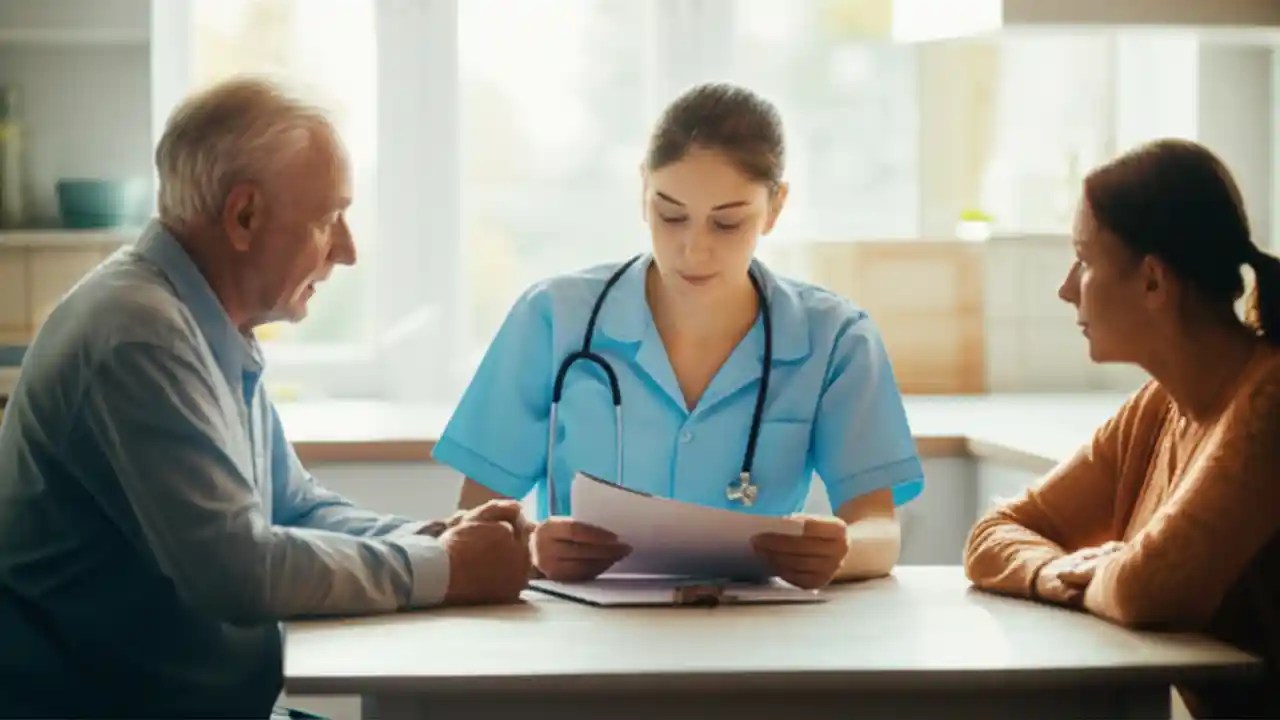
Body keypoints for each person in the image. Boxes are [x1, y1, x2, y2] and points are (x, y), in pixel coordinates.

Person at [0, 77, 531, 718]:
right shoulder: (140, 333)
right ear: (244, 217)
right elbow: (238, 571)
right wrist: (446, 569)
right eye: (328, 218)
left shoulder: (200, 321)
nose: (348, 249)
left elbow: (293, 506)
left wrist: (436, 537)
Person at [432, 83, 924, 590]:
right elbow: (473, 522)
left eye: (727, 223)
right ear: (643, 190)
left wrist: (836, 554)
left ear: (775, 207)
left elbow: (880, 530)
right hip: (579, 636)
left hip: (754, 635)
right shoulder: (552, 317)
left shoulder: (835, 339)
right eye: (670, 215)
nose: (694, 250)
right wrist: (534, 546)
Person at [964, 139, 1280, 718]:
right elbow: (993, 533)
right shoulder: (1156, 407)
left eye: (1083, 260)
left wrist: (1102, 572)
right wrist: (1053, 571)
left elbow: (1147, 589)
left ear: (1154, 282)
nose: (1066, 288)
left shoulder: (1270, 401)